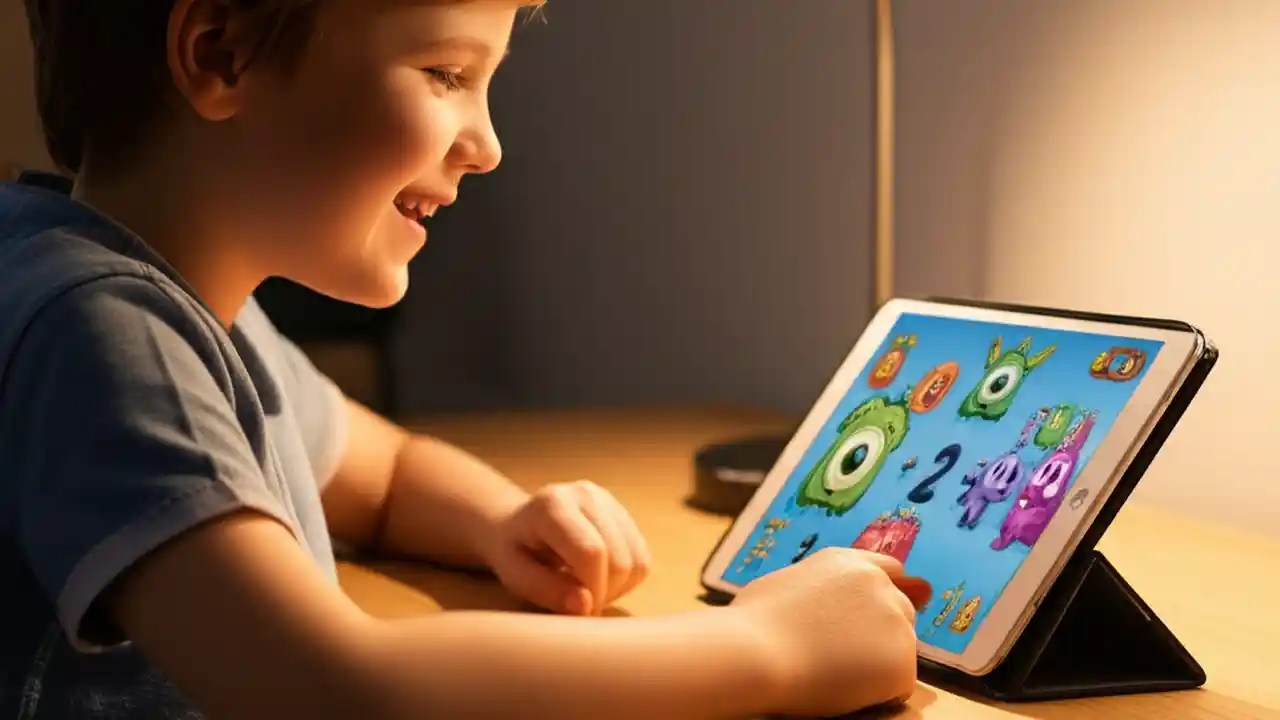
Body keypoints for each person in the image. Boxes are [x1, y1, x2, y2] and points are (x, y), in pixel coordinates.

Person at [0, 1, 931, 717]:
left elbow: (386, 473)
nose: (486, 146)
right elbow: (332, 690)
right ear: (221, 54)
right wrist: (769, 650)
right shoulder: (101, 333)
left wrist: (501, 520)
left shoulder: (186, 310)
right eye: (446, 71)